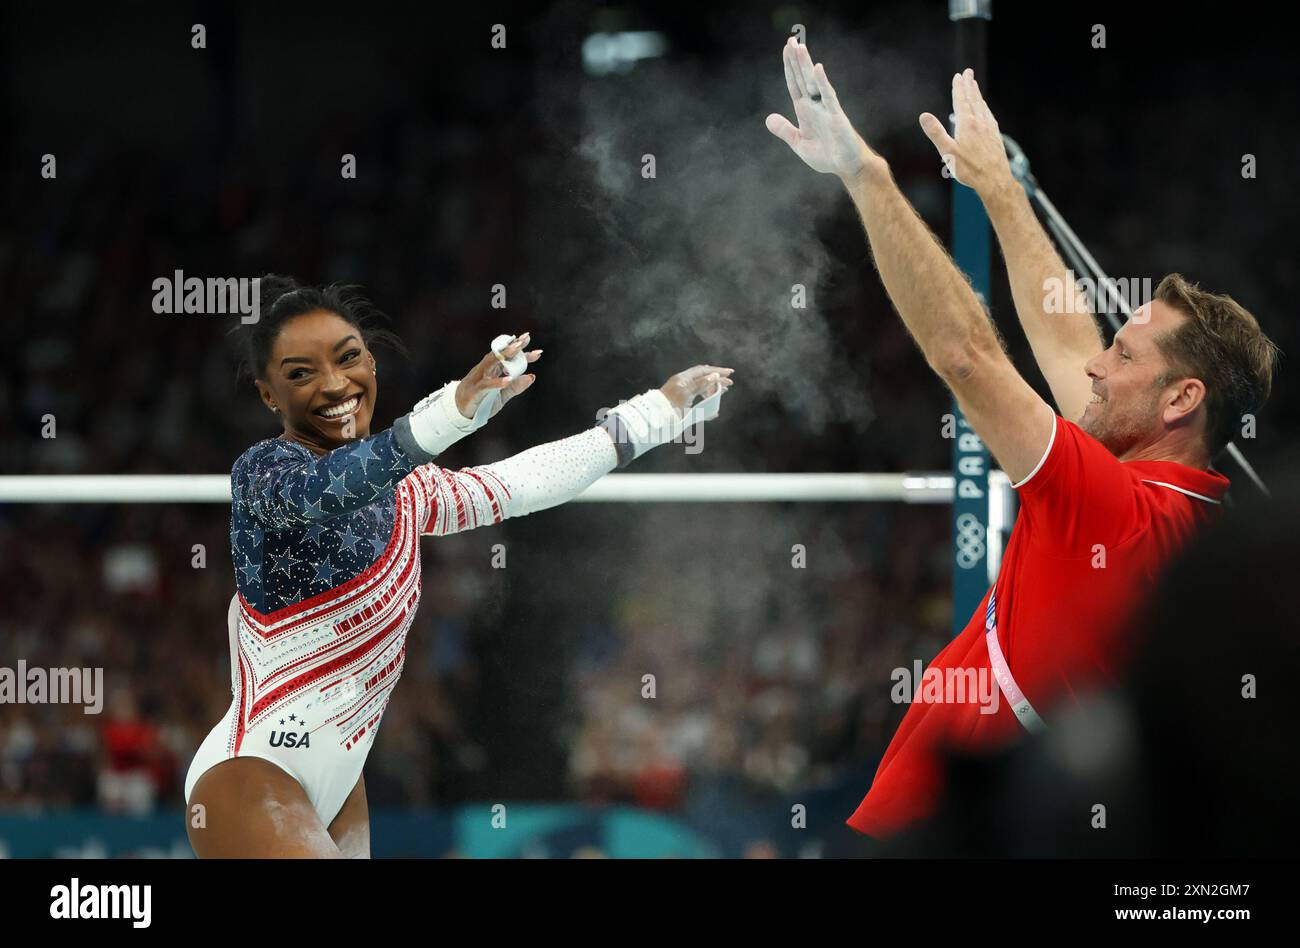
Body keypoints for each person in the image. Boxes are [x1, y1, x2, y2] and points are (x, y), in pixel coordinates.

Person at [765, 37, 1278, 838]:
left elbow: (964, 355)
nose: (1099, 368)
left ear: (1183, 398)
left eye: (1127, 354)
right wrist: (1001, 192)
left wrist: (864, 175)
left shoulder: (1115, 514)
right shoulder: (1169, 500)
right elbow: (1072, 347)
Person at [184, 275, 734, 857]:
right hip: (252, 775)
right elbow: (328, 489)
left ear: (371, 363)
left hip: (342, 785)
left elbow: (521, 484)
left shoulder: (409, 490)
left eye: (348, 358)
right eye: (300, 373)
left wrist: (658, 411)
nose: (333, 383)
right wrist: (453, 411)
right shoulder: (265, 474)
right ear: (270, 395)